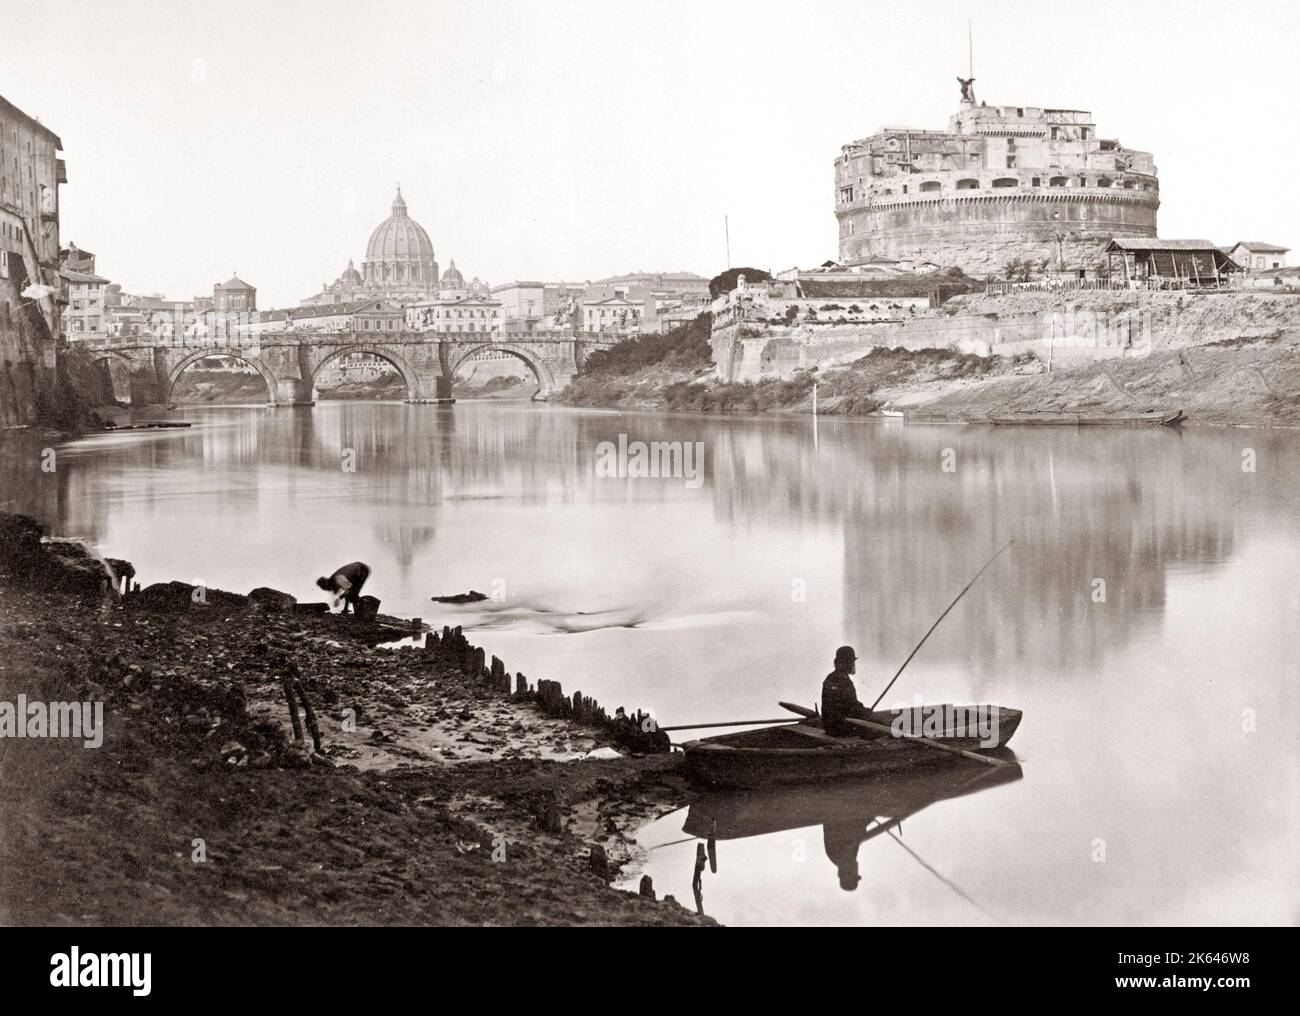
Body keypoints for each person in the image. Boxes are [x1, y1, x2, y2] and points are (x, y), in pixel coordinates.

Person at [821, 645, 873, 737]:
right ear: (845, 663)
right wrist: (865, 712)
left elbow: (848, 704)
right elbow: (851, 706)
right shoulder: (843, 681)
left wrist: (862, 710)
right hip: (840, 727)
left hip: (829, 726)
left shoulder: (831, 677)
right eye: (852, 662)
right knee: (874, 731)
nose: (853, 664)